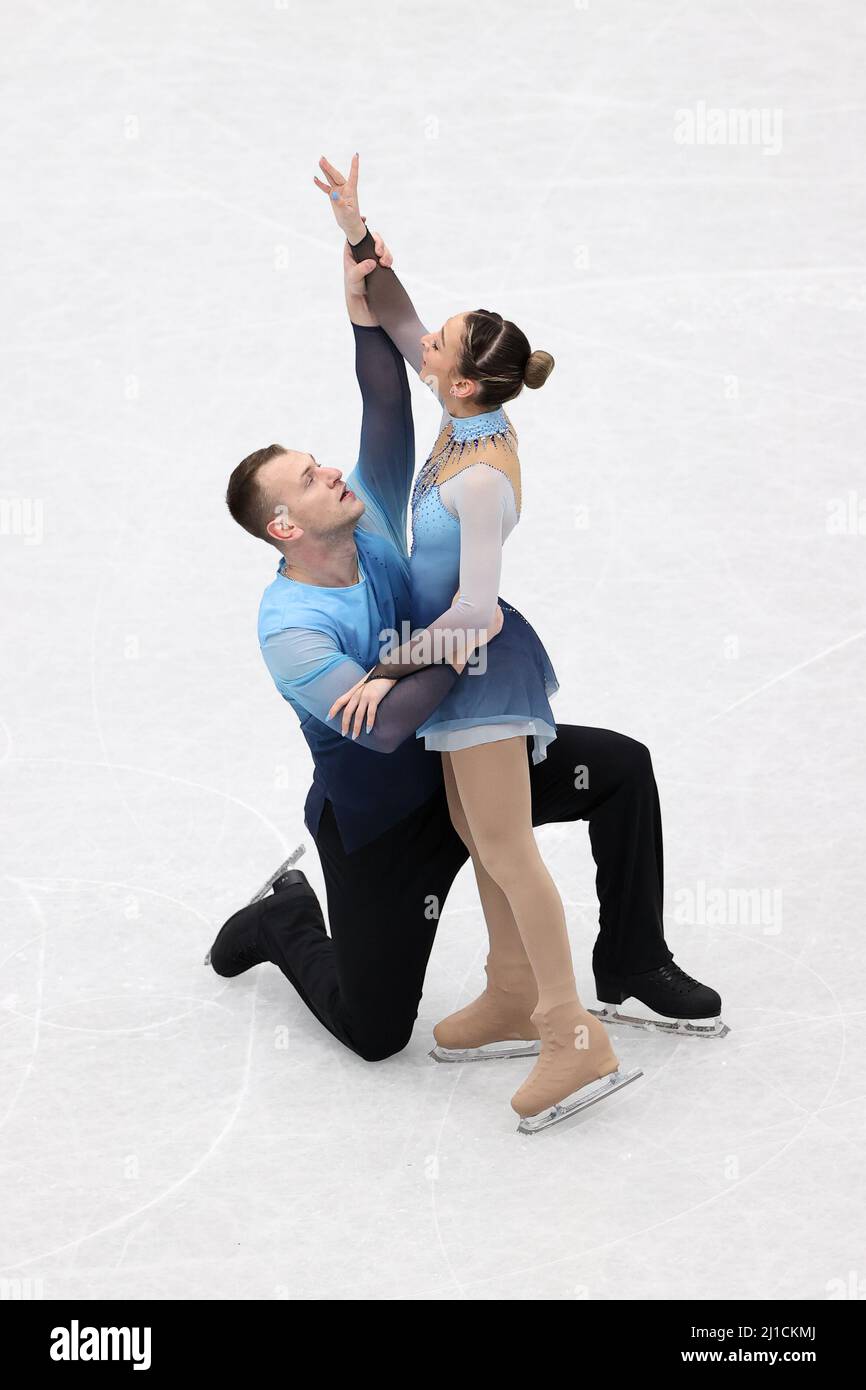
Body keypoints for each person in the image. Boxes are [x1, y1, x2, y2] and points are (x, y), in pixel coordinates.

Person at [209, 210, 724, 1131]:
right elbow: (393, 726)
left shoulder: (385, 503)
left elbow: (383, 388)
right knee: (376, 1030)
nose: (332, 471)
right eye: (307, 478)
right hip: (387, 811)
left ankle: (592, 991)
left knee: (610, 777)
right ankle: (286, 918)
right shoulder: (290, 625)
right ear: (284, 528)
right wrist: (368, 275)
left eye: (323, 466)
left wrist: (358, 273)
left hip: (469, 718)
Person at [316, 154, 627, 1126]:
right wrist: (357, 235)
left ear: (454, 381)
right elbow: (401, 317)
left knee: (504, 841)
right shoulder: (462, 398)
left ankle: (573, 1032)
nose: (425, 343)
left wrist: (394, 662)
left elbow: (477, 612)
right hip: (446, 658)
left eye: (438, 345)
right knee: (471, 833)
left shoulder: (481, 474)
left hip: (479, 664)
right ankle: (507, 989)